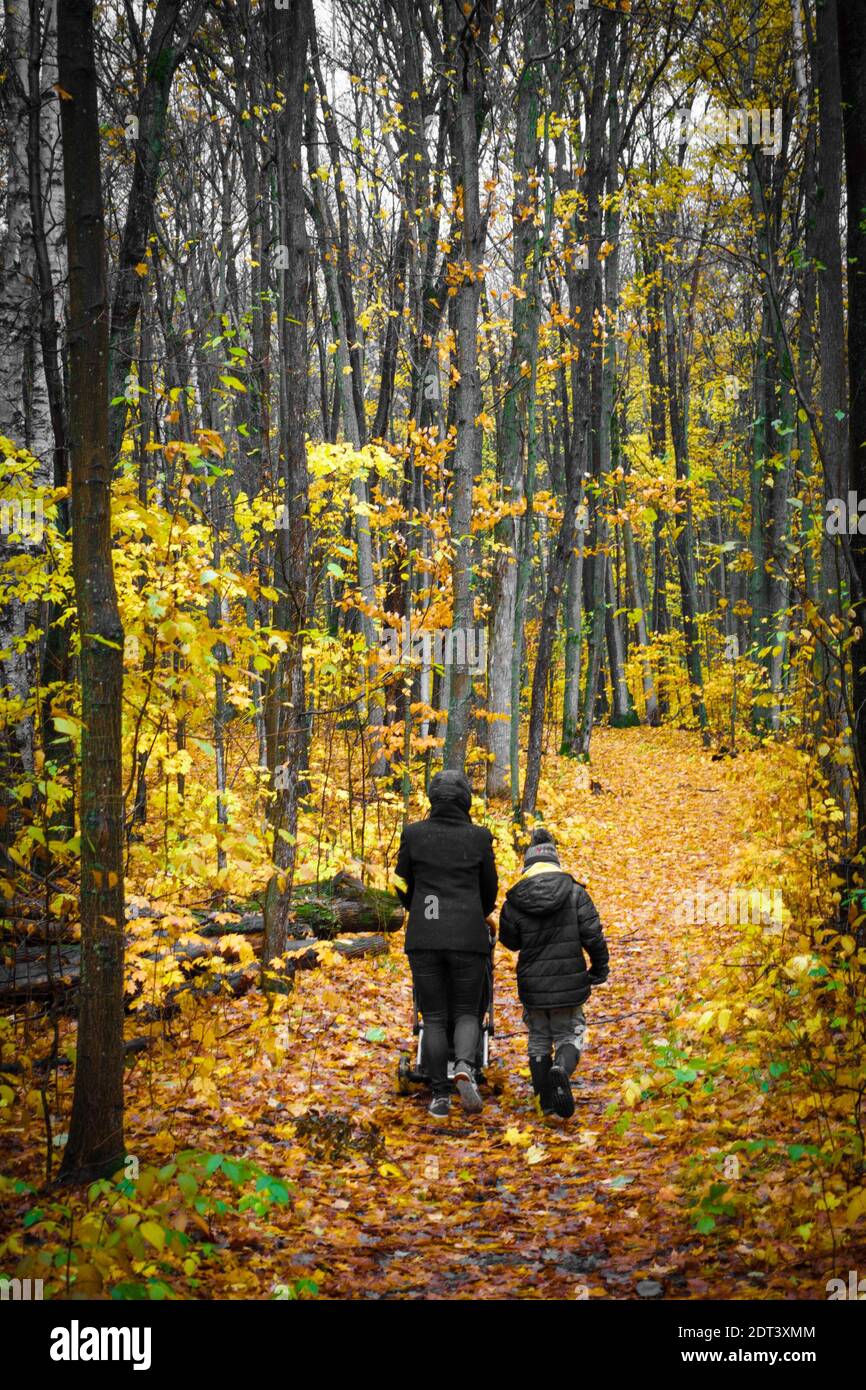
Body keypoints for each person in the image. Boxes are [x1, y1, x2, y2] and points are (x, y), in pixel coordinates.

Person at [394, 770, 498, 1119]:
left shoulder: (414, 834)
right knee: (468, 1011)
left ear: (432, 798)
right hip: (468, 937)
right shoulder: (479, 838)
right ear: (465, 799)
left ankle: (439, 1095)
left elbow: (400, 883)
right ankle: (465, 1066)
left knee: (434, 1016)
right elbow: (490, 893)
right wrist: (475, 913)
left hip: (425, 936)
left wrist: (422, 911)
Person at [499, 827, 609, 1118]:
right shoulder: (574, 893)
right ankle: (561, 1068)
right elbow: (593, 936)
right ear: (555, 860)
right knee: (570, 1034)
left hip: (533, 986)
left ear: (528, 864)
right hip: (569, 981)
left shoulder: (516, 899)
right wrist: (600, 968)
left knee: (538, 1038)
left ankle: (545, 1102)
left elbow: (509, 942)